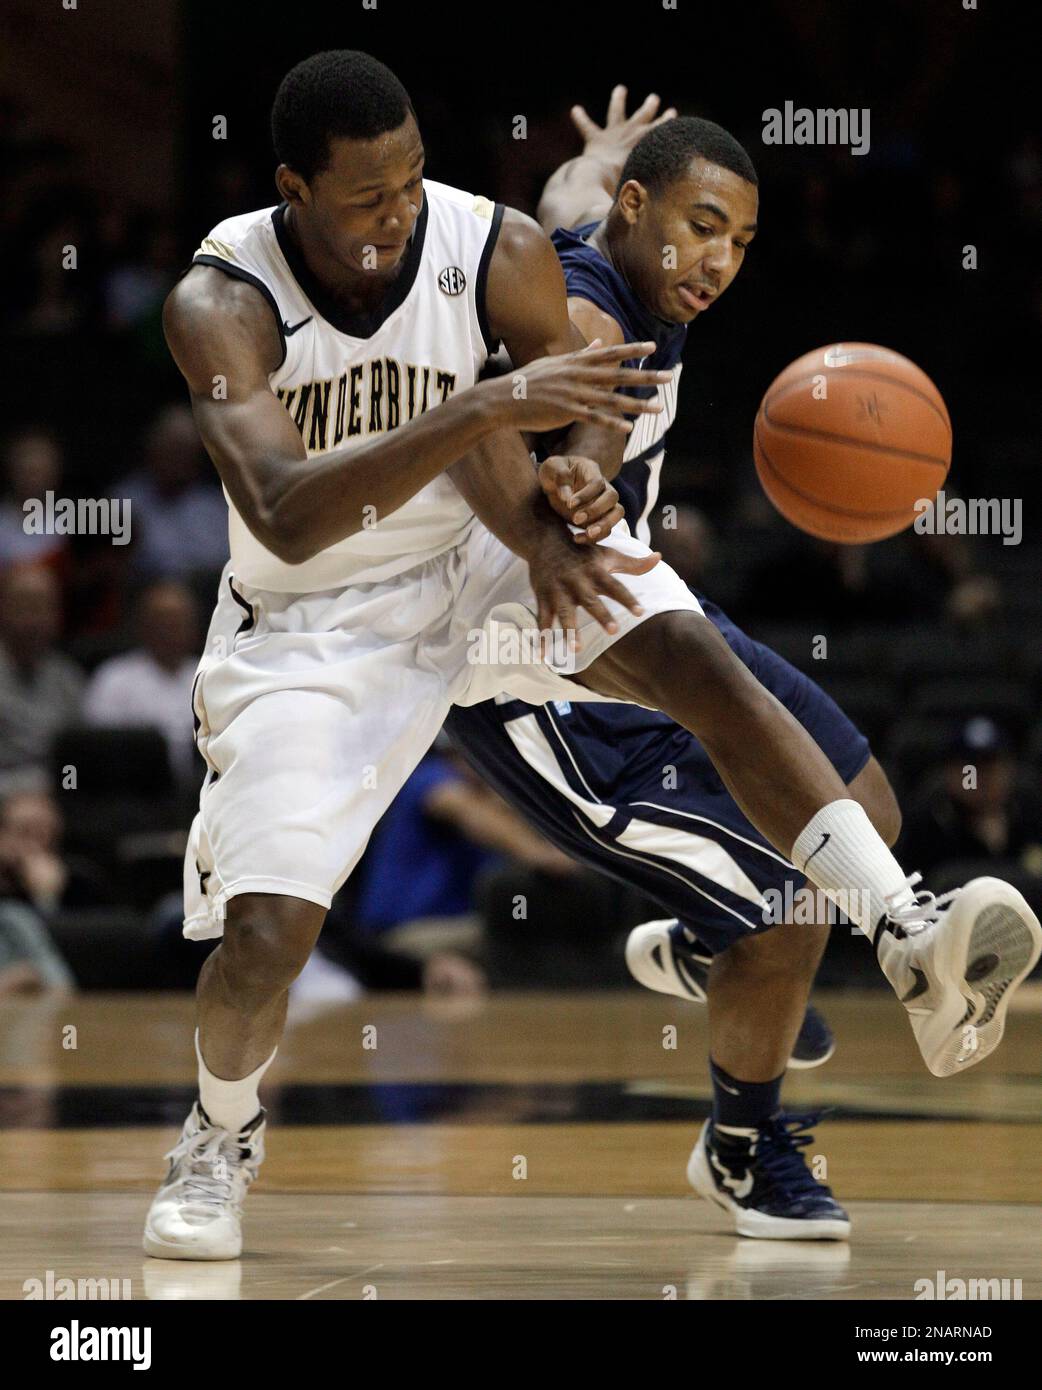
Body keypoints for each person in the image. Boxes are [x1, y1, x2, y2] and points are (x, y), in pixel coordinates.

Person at [143, 53, 1039, 1261]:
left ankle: (904, 933)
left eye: (414, 177)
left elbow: (581, 346)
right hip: (323, 614)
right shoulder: (221, 301)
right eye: (369, 196)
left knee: (775, 734)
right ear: (293, 188)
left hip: (497, 564)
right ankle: (219, 1131)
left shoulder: (495, 239)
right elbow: (293, 509)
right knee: (267, 933)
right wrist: (501, 425)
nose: (401, 209)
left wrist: (574, 463)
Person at [445, 90, 1041, 1239]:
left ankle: (712, 935)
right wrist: (573, 468)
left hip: (632, 597)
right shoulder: (587, 313)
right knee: (792, 894)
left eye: (740, 239)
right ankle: (744, 1146)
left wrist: (605, 152)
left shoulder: (602, 230)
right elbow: (567, 389)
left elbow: (571, 194)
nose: (718, 259)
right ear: (640, 211)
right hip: (533, 665)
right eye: (701, 225)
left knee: (857, 803)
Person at [82, 580, 201, 788]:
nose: (169, 631)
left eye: (177, 623)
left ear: (194, 628)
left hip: (204, 792)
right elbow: (99, 749)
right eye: (162, 622)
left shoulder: (214, 675)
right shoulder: (113, 678)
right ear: (142, 625)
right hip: (134, 794)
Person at [0, 567, 84, 795]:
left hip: (59, 798)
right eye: (23, 606)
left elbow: (78, 761)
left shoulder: (69, 678)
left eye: (42, 607)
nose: (33, 619)